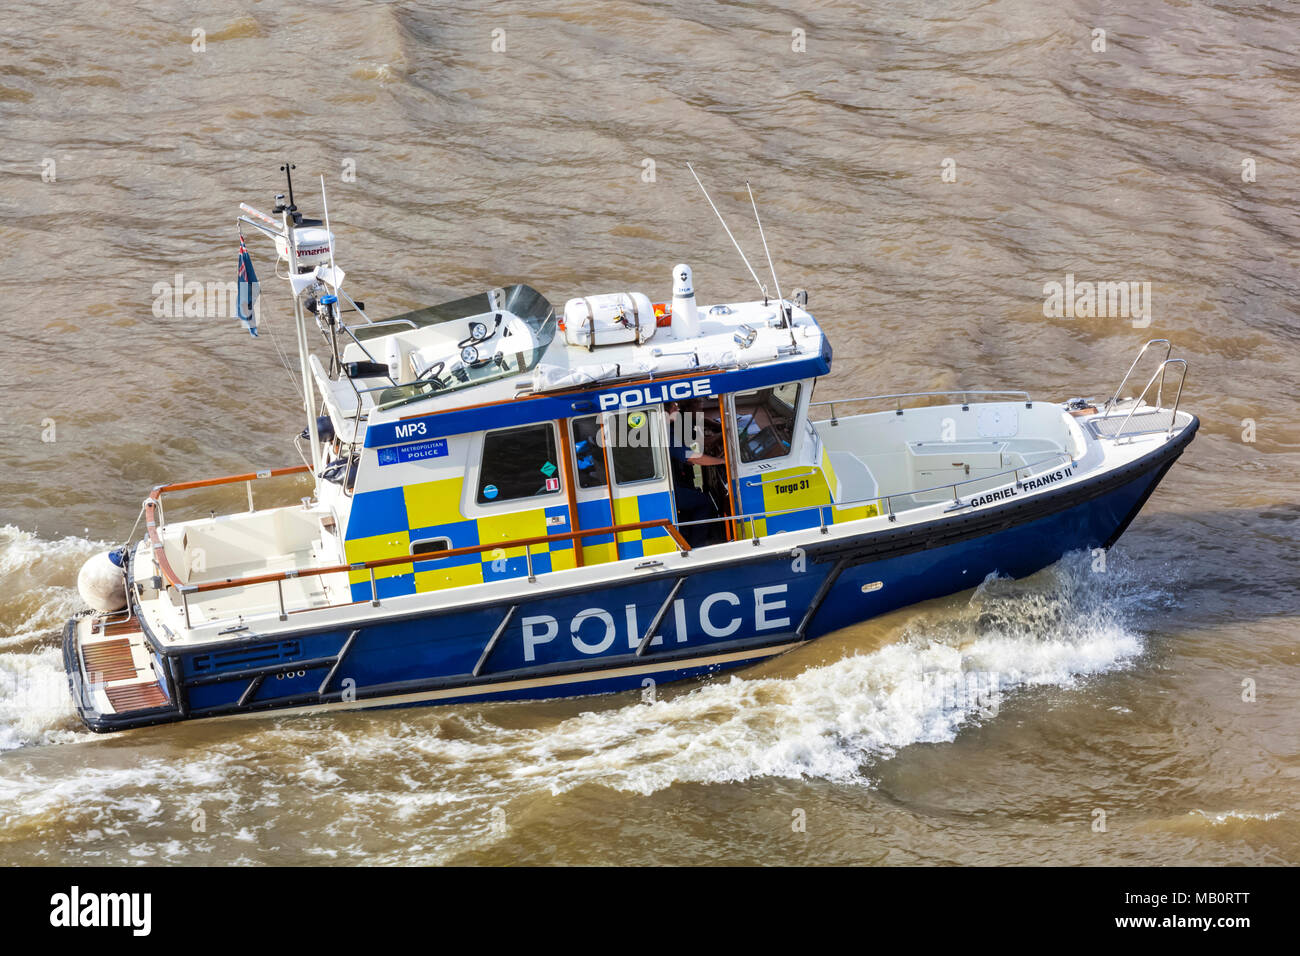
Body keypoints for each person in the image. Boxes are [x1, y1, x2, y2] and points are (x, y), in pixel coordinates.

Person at [665, 401, 725, 547]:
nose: (677, 407)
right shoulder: (667, 432)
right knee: (704, 502)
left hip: (675, 479)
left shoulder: (668, 427)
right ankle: (696, 546)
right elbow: (692, 456)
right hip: (669, 488)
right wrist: (722, 461)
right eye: (673, 406)